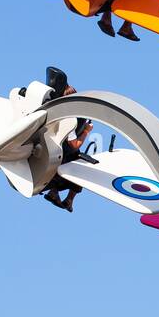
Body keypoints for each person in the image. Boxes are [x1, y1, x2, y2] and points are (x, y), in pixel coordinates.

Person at [39, 67, 95, 212]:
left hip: (49, 150)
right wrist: (86, 132)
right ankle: (68, 199)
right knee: (83, 166)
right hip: (59, 157)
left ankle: (56, 193)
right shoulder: (69, 120)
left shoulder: (50, 106)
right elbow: (74, 144)